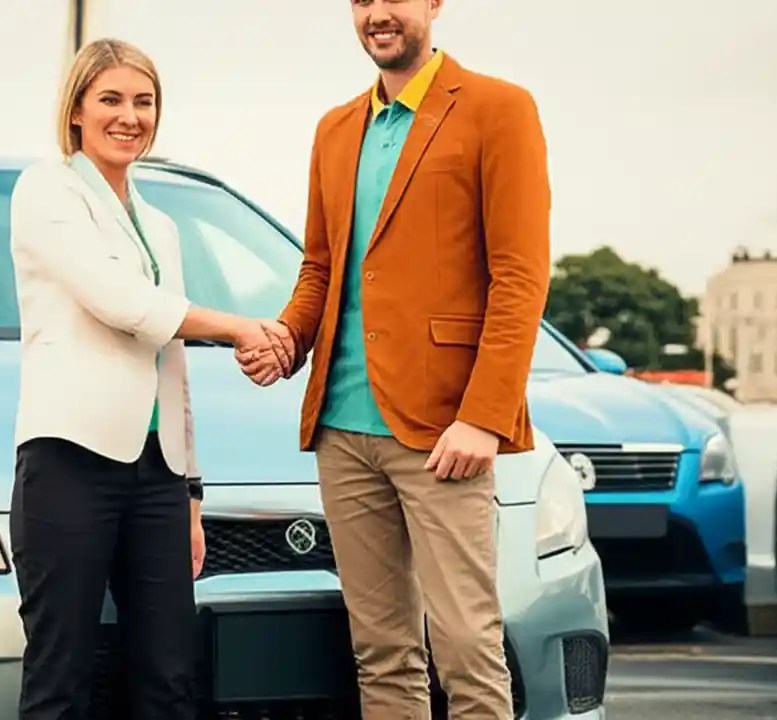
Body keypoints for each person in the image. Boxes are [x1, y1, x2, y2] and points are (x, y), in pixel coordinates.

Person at [238, 1, 551, 717]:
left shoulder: (499, 109)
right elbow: (321, 267)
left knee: (467, 648)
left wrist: (484, 416)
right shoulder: (335, 127)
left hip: (445, 431)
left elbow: (520, 276)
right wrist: (286, 340)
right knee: (381, 654)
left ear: (434, 4)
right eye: (361, 1)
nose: (377, 13)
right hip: (342, 428)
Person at [6, 38, 291, 720]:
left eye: (144, 102)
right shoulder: (45, 189)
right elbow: (123, 304)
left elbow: (172, 358)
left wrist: (190, 489)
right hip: (70, 460)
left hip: (158, 476)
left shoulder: (160, 225)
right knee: (61, 676)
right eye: (110, 99)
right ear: (76, 111)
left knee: (169, 678)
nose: (129, 116)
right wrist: (240, 327)